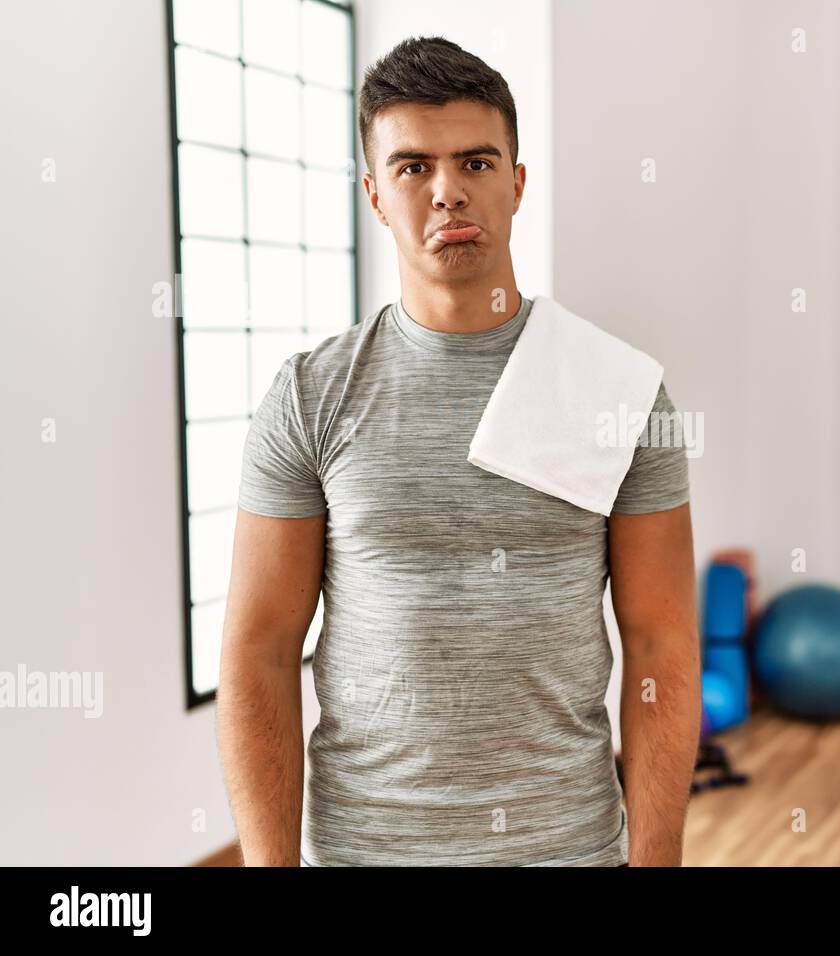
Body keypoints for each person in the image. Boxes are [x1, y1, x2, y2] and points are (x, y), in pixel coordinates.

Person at [216, 36, 700, 867]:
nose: (447, 192)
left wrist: (656, 861)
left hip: (568, 848)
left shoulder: (618, 392)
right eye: (413, 168)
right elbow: (259, 650)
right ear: (375, 194)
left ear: (517, 181)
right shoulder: (308, 396)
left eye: (476, 162)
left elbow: (662, 645)